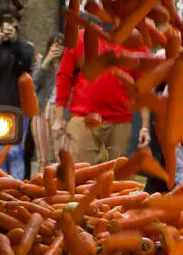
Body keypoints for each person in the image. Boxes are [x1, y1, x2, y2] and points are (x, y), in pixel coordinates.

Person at [52, 27, 146, 164]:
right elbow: (64, 76)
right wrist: (58, 118)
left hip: (120, 122)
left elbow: (143, 87)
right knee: (80, 175)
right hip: (84, 120)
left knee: (116, 179)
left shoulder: (135, 43)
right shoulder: (82, 38)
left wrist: (145, 126)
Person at [0, 9, 34, 179]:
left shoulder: (25, 48)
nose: (7, 27)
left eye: (11, 23)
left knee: (16, 151)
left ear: (17, 25)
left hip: (17, 106)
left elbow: (25, 65)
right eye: (4, 23)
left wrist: (14, 43)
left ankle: (16, 186)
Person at [31, 33, 65, 173]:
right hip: (40, 110)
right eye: (54, 44)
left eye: (60, 44)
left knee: (61, 155)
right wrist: (47, 60)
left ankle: (62, 189)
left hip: (59, 111)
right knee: (42, 157)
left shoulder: (69, 65)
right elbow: (33, 83)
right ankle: (40, 188)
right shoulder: (42, 63)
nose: (57, 47)